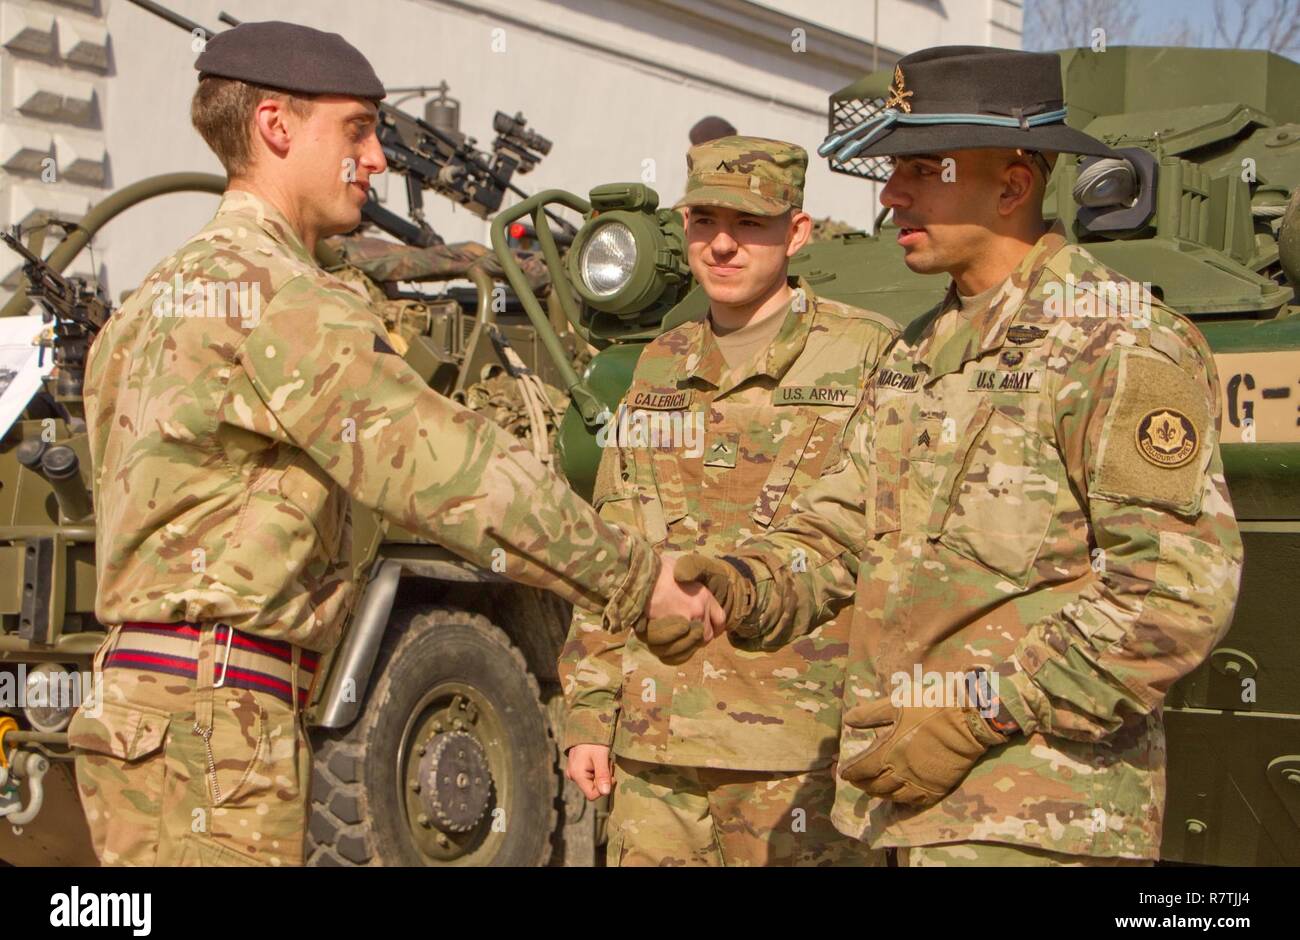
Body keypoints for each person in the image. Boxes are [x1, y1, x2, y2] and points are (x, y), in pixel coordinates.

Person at [70, 20, 715, 867]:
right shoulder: (283, 299)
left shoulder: (144, 305)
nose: (377, 159)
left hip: (139, 709)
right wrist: (639, 581)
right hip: (216, 719)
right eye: (356, 130)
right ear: (275, 125)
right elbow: (451, 473)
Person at [668, 46, 1243, 866]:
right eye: (892, 169)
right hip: (905, 817)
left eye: (921, 169)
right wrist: (734, 586)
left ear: (1013, 185)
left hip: (1039, 824)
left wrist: (982, 712)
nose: (890, 193)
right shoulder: (918, 351)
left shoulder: (1117, 342)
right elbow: (838, 531)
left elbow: (1175, 594)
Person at [561, 136, 897, 866]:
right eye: (706, 221)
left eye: (749, 224)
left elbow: (882, 543)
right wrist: (589, 710)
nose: (723, 245)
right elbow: (614, 541)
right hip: (656, 752)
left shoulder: (868, 352)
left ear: (797, 233)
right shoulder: (659, 361)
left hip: (799, 753)